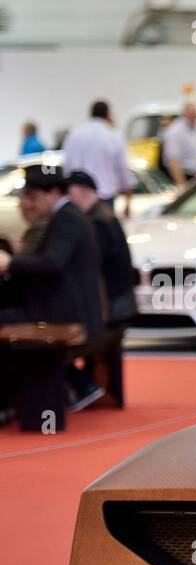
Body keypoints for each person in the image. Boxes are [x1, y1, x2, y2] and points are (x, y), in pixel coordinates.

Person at [0, 165, 106, 411]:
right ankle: (78, 385)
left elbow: (53, 262)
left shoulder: (66, 218)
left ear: (54, 192)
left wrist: (10, 264)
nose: (30, 205)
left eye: (33, 197)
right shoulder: (67, 216)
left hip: (66, 314)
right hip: (68, 307)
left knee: (7, 323)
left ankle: (11, 402)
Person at [66, 170, 137, 326]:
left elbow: (92, 262)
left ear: (84, 191)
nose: (67, 199)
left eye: (69, 193)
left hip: (112, 303)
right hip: (117, 301)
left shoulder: (97, 221)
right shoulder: (101, 213)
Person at [62, 100, 134, 219]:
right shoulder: (114, 136)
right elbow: (123, 170)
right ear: (108, 115)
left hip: (77, 197)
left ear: (90, 113)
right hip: (104, 198)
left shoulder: (74, 135)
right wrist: (128, 201)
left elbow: (67, 167)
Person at [162, 102, 196, 185]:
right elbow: (173, 161)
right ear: (184, 114)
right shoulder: (175, 131)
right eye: (192, 114)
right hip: (186, 176)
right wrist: (182, 185)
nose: (195, 117)